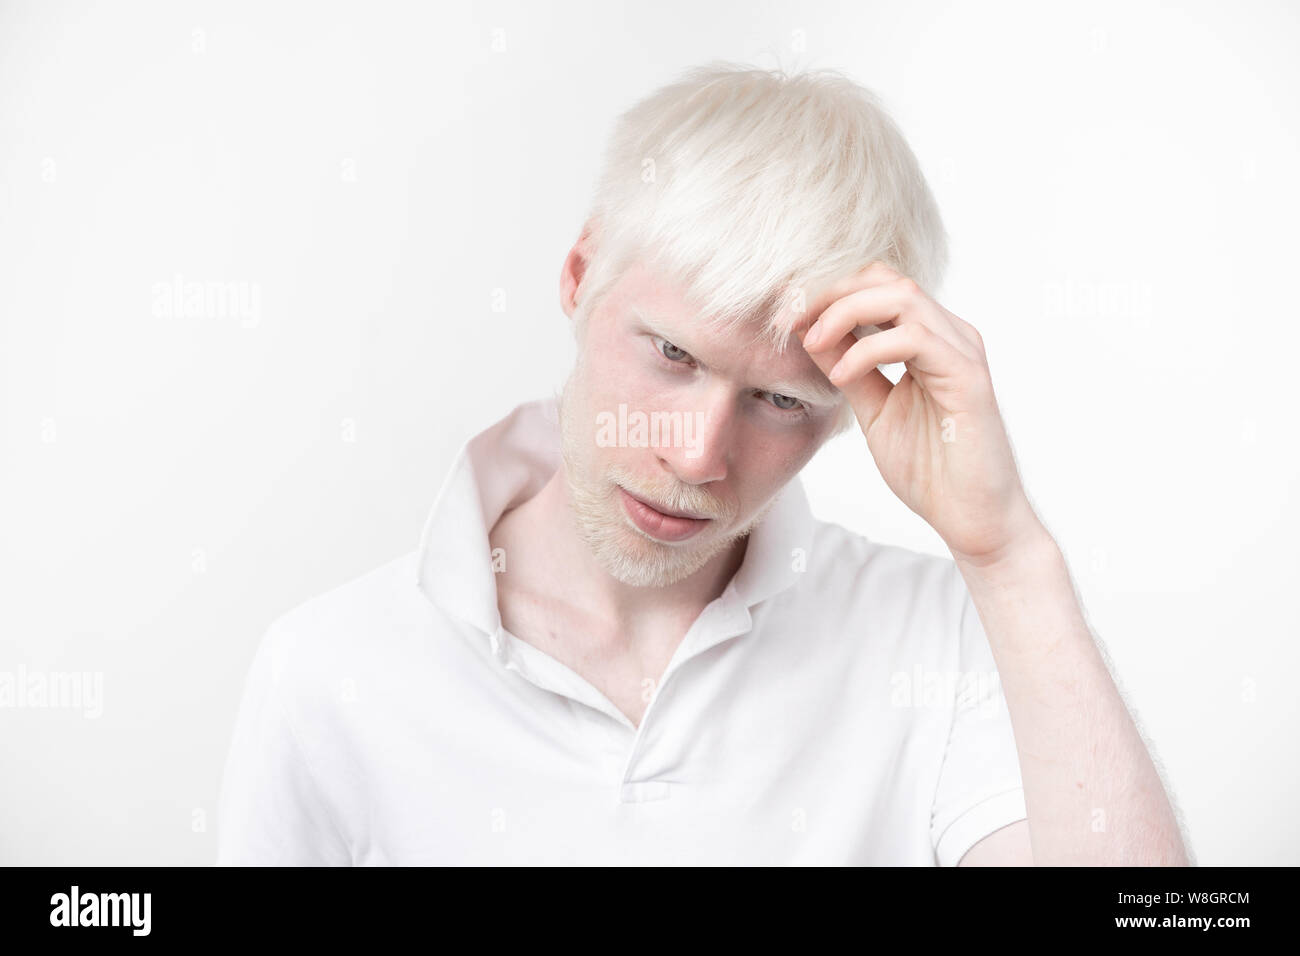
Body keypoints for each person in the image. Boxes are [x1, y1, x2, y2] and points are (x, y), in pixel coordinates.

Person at [216, 61, 1189, 866]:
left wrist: (1008, 553)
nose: (696, 455)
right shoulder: (330, 670)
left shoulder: (938, 641)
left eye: (780, 401)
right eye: (672, 355)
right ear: (577, 277)